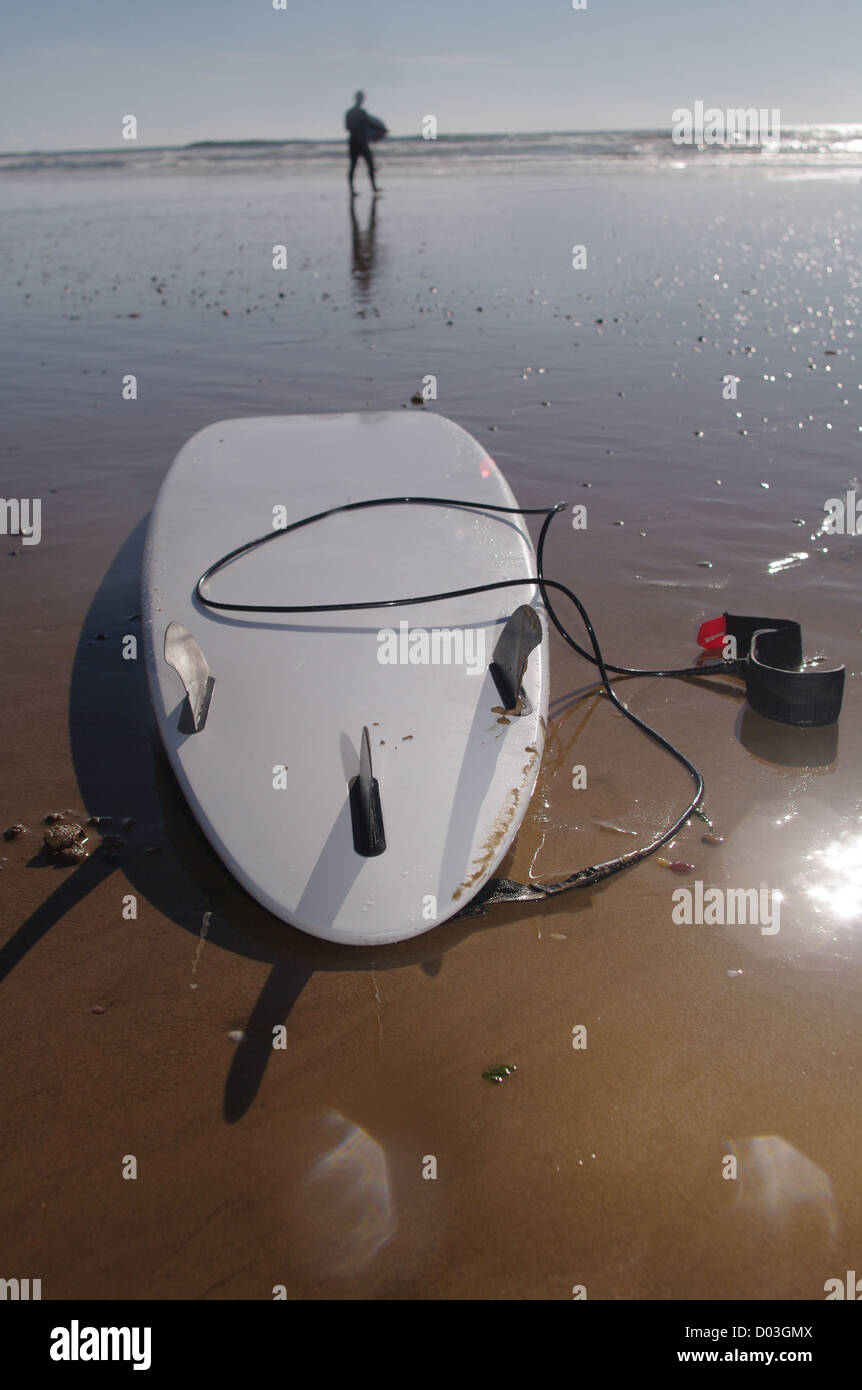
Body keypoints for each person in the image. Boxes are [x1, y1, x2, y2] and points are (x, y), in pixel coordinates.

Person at [345, 90, 384, 195]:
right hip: (358, 141)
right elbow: (350, 126)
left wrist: (380, 129)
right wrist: (380, 129)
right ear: (358, 99)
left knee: (368, 164)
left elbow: (369, 124)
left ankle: (372, 187)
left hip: (356, 141)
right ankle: (354, 190)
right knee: (358, 165)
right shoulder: (356, 113)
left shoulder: (355, 112)